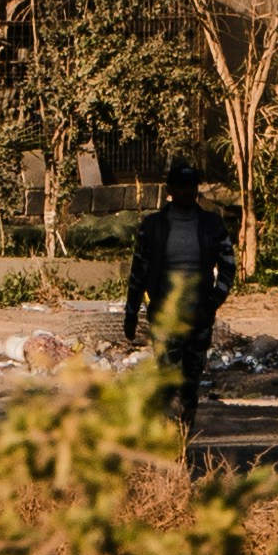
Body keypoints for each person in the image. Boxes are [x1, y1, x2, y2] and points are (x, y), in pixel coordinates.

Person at [120, 154, 231, 443]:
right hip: (164, 314)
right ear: (171, 189)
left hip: (199, 314)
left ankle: (184, 434)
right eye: (181, 186)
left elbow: (228, 266)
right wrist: (131, 312)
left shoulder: (212, 224)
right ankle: (166, 438)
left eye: (191, 186)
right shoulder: (153, 226)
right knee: (167, 379)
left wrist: (214, 300)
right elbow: (139, 270)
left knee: (191, 381)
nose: (186, 192)